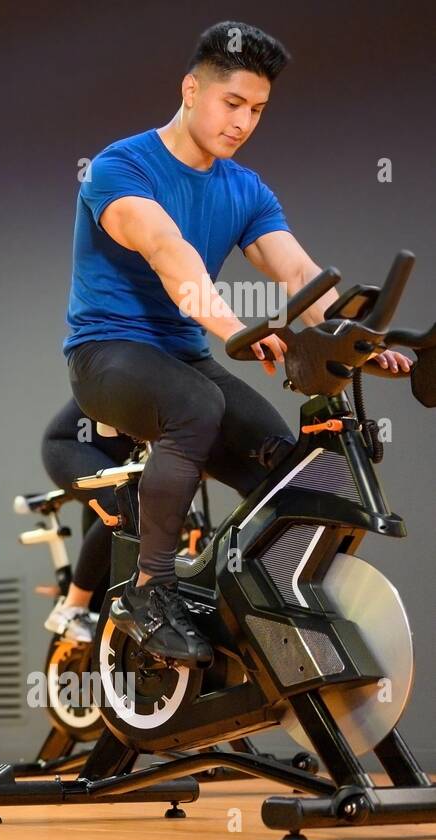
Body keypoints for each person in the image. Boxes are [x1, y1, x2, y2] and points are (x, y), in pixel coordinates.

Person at [62, 21, 410, 665]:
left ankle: (239, 598)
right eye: (233, 104)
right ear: (191, 90)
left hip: (184, 358)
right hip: (107, 354)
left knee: (288, 467)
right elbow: (173, 256)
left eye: (257, 109)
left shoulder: (245, 189)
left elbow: (301, 275)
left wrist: (361, 341)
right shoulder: (121, 167)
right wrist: (236, 331)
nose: (244, 122)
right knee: (195, 407)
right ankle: (148, 592)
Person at [39, 398, 135, 643]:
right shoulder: (154, 367)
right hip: (69, 445)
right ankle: (71, 608)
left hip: (111, 458)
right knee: (121, 505)